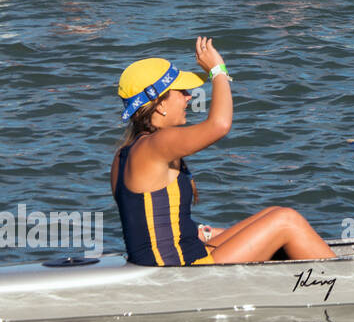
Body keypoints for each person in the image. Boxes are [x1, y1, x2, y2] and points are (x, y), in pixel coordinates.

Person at [113, 38, 337, 265]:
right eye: (182, 91)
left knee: (272, 213)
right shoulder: (158, 143)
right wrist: (218, 71)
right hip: (181, 274)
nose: (190, 97)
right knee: (286, 220)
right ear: (159, 104)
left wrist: (206, 233)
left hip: (177, 260)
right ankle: (349, 283)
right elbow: (220, 125)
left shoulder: (123, 156)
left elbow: (150, 223)